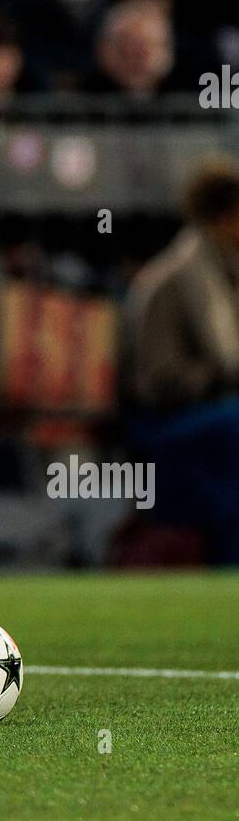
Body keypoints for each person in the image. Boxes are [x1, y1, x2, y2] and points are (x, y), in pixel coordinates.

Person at [124, 156, 239, 563]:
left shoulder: (224, 272)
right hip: (163, 423)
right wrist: (215, 378)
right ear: (224, 217)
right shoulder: (178, 278)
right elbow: (157, 381)